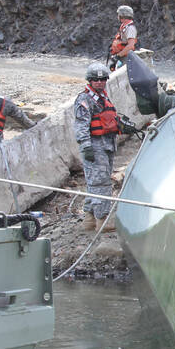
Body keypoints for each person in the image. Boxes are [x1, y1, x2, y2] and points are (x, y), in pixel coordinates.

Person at [74, 62, 126, 233]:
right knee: (100, 183)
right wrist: (86, 146)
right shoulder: (84, 100)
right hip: (95, 147)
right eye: (96, 80)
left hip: (107, 145)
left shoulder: (104, 98)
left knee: (94, 183)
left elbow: (109, 119)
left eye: (103, 79)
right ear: (90, 81)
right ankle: (102, 221)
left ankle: (89, 220)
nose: (100, 82)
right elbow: (81, 125)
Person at [108, 5, 138, 70]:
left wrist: (118, 55)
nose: (118, 16)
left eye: (119, 14)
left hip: (126, 57)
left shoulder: (130, 28)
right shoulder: (124, 26)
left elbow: (130, 45)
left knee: (123, 75)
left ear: (122, 15)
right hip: (122, 55)